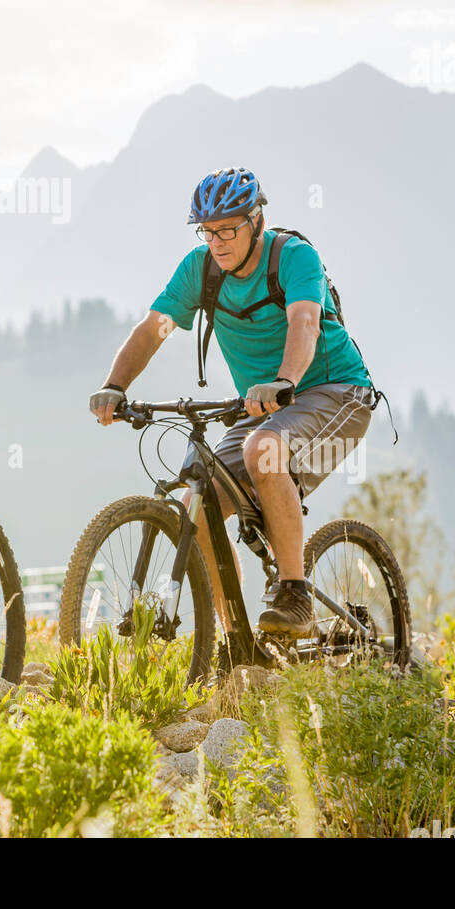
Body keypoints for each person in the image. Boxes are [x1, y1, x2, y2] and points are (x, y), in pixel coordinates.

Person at [87, 166, 376, 642]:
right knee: (194, 511)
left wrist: (284, 380)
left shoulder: (293, 258)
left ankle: (294, 592)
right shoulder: (199, 271)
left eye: (228, 229)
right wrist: (115, 385)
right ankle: (235, 639)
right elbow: (153, 328)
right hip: (266, 406)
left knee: (264, 449)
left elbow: (304, 322)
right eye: (208, 231)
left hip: (337, 394)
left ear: (256, 220)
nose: (217, 241)